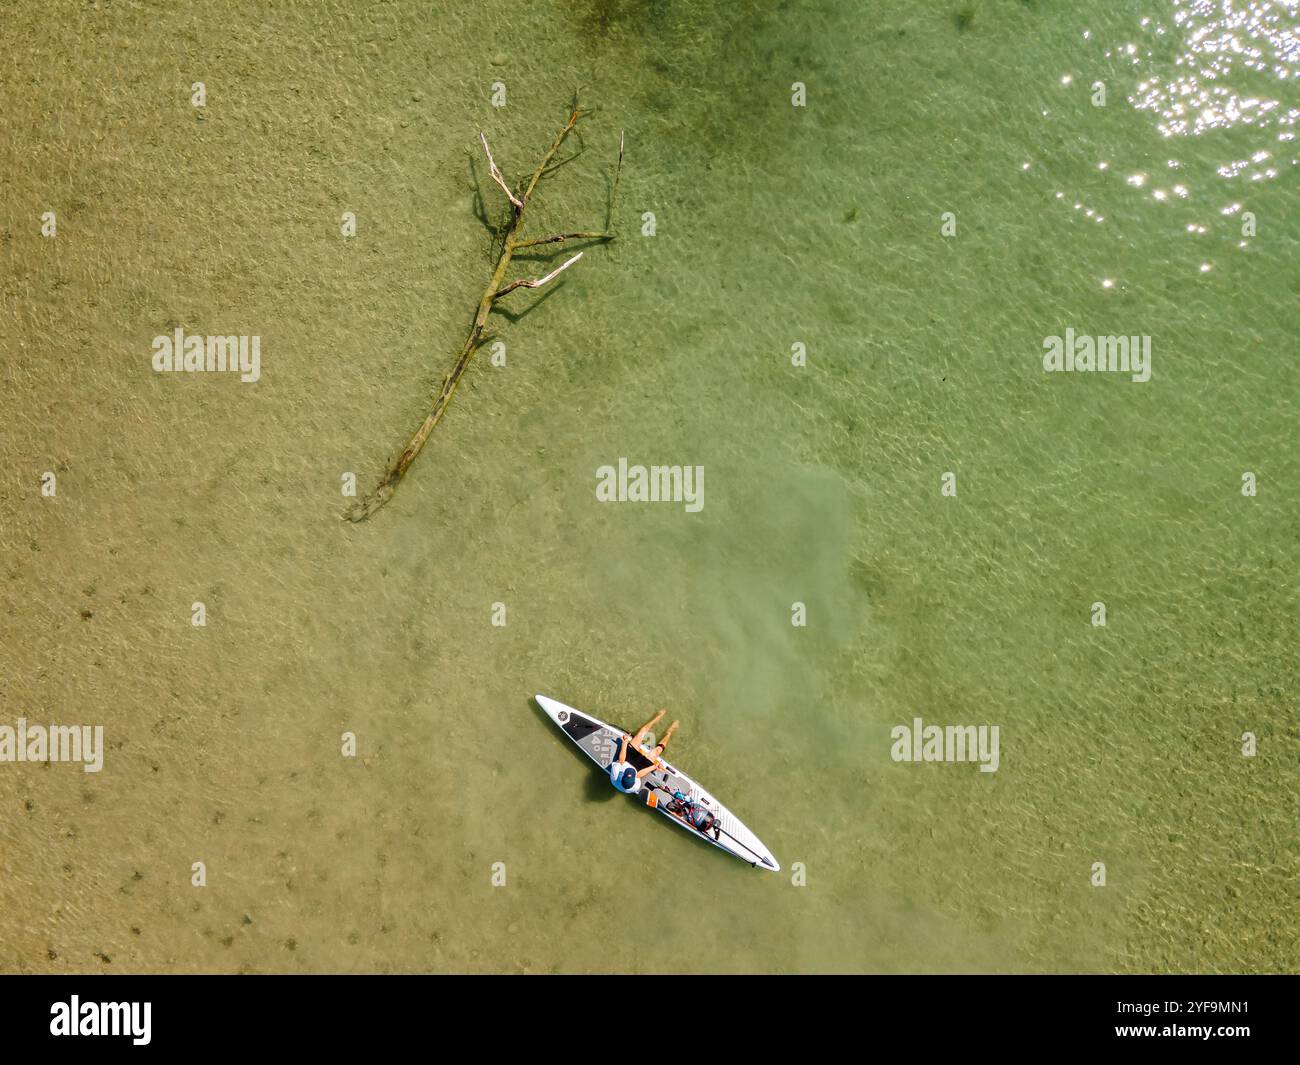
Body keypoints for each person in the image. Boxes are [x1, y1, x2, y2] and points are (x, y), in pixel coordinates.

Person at [608, 709, 679, 795]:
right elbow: (639, 775)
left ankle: (658, 716)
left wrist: (625, 743)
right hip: (638, 770)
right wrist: (655, 766)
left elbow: (621, 760)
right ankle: (669, 732)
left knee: (642, 731)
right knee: (658, 750)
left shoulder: (614, 776)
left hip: (626, 760)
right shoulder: (635, 787)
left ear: (622, 775)